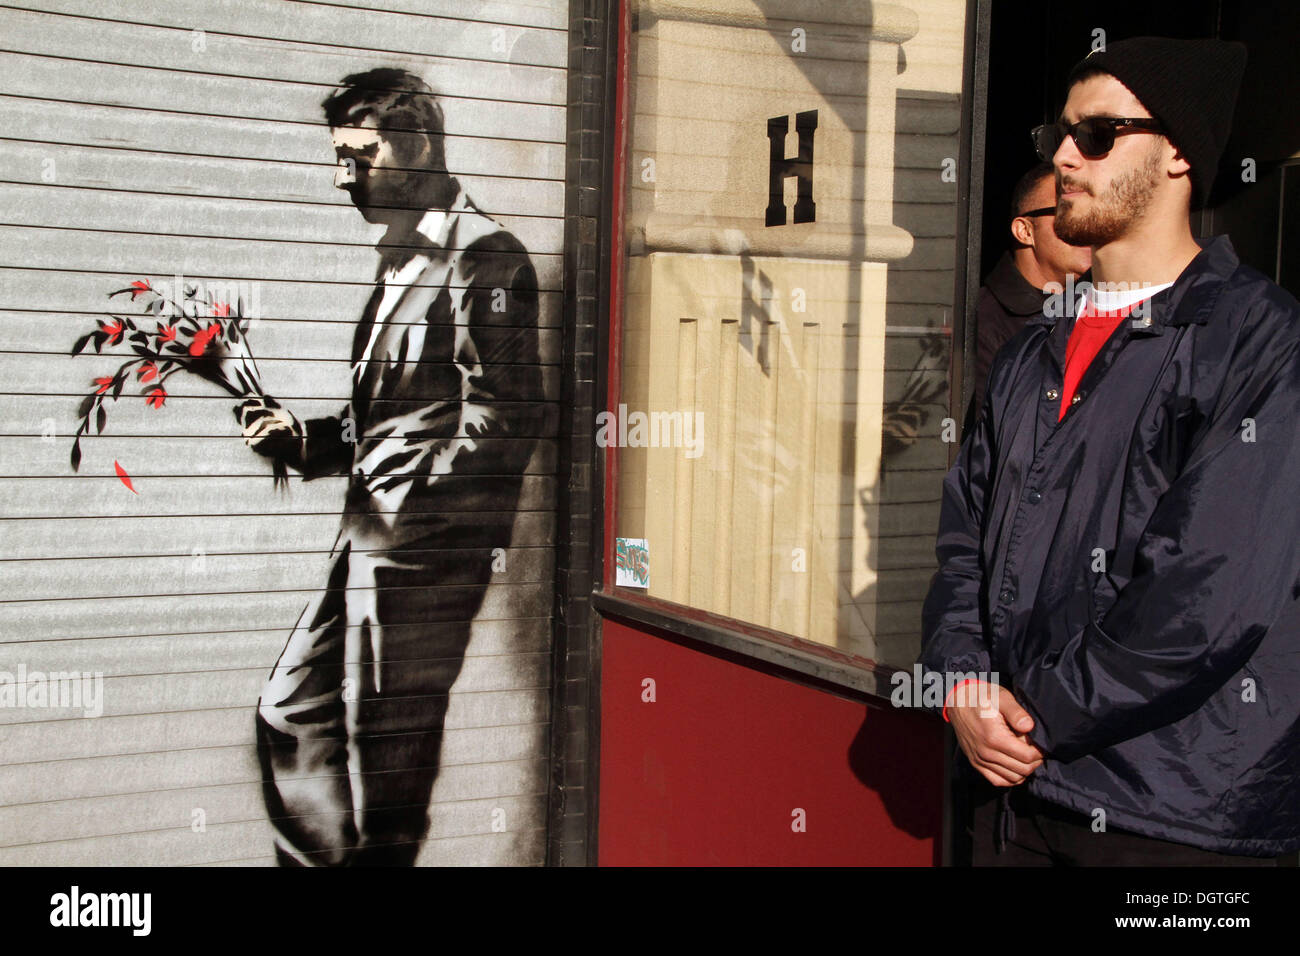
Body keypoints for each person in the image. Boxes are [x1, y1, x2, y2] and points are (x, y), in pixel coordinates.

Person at [920, 36, 1300, 865]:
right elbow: (963, 541)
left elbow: (1212, 591)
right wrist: (961, 683)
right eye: (1058, 134)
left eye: (1095, 134)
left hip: (1168, 815)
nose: (1063, 154)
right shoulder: (1032, 349)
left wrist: (1033, 713)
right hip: (1012, 794)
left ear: (1176, 154)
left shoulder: (1258, 339)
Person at [235, 68, 546, 866]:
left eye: (359, 155)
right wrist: (304, 442)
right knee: (290, 710)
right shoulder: (401, 258)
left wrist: (408, 502)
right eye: (339, 157)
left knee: (388, 759)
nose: (345, 176)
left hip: (425, 553)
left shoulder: (485, 257)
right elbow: (399, 411)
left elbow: (506, 417)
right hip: (368, 537)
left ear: (418, 146)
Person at [965, 163, 1091, 431]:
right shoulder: (984, 321)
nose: (1085, 226)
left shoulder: (1095, 307)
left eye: (1090, 213)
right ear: (1025, 231)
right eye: (1068, 210)